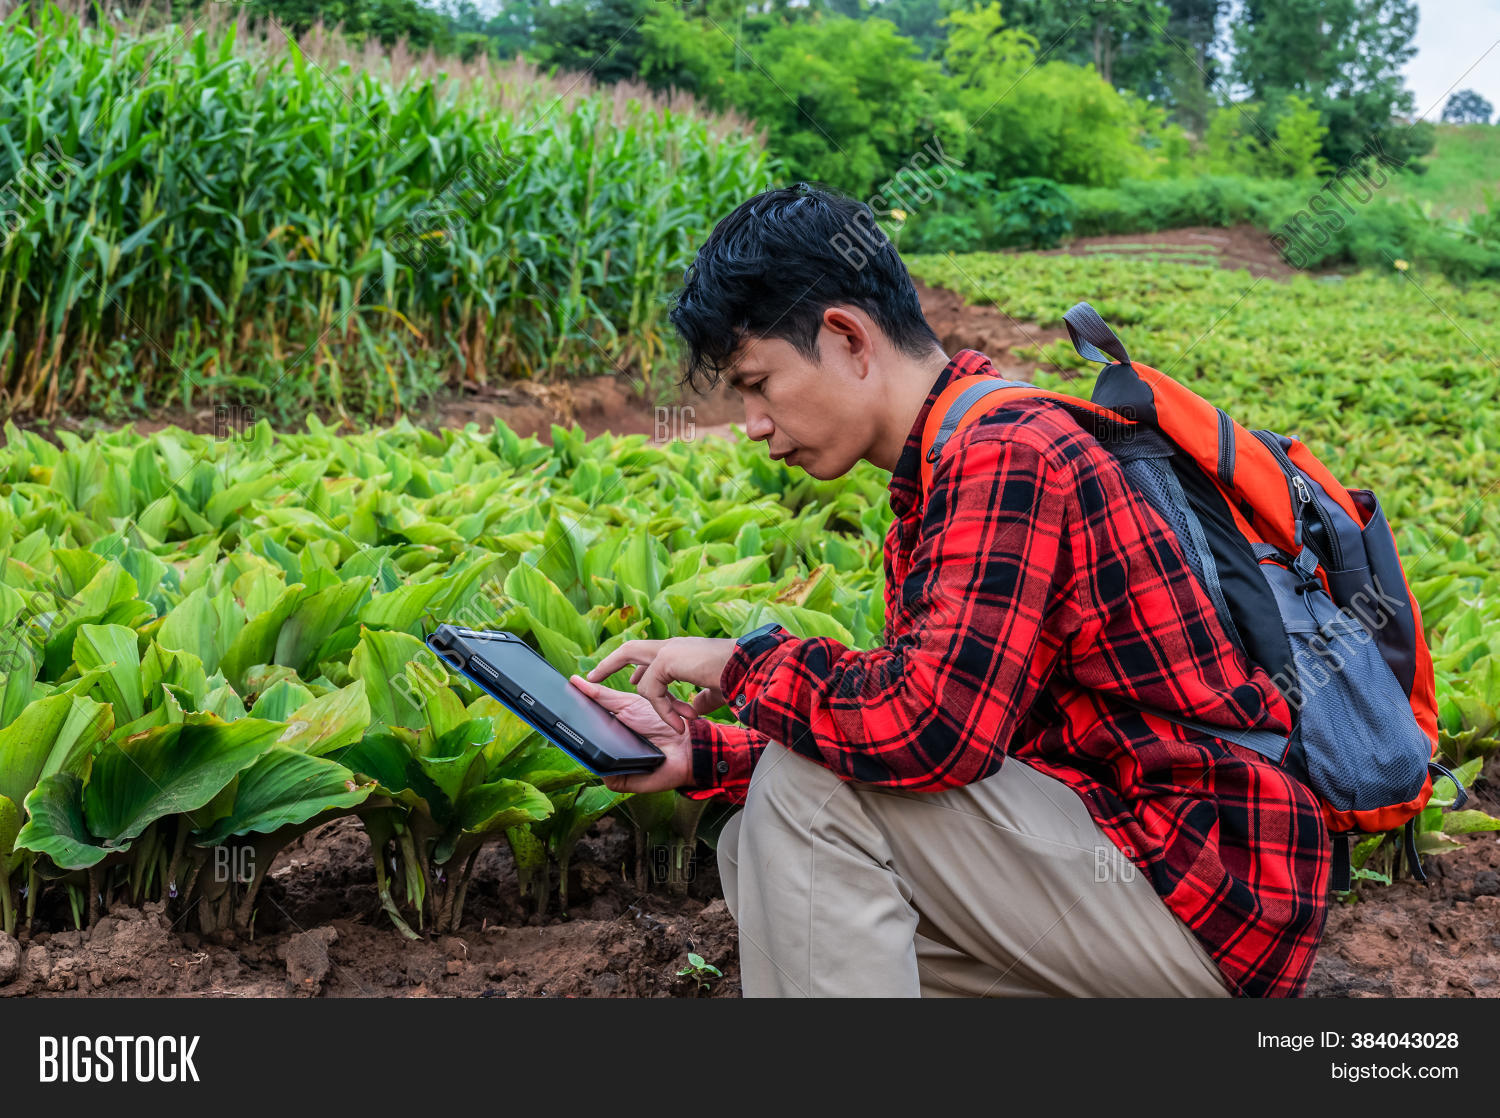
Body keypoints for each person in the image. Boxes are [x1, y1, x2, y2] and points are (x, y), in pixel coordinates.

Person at [568, 182, 1330, 998]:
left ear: (849, 339)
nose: (753, 424)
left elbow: (928, 733)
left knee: (807, 801)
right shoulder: (953, 462)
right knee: (755, 845)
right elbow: (953, 737)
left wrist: (739, 663)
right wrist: (697, 751)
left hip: (1204, 891)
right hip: (1127, 863)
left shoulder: (1008, 453)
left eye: (758, 384)